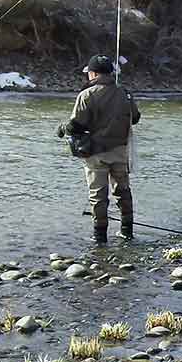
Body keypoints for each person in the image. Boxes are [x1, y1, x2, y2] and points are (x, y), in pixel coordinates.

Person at [58, 55, 141, 244]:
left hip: (96, 153)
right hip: (121, 152)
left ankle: (100, 237)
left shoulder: (87, 95)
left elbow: (76, 125)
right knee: (123, 191)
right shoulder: (125, 93)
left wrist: (63, 128)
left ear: (93, 73)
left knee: (98, 195)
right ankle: (127, 231)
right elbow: (135, 118)